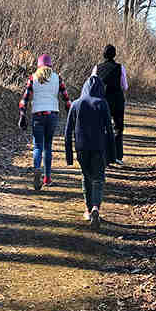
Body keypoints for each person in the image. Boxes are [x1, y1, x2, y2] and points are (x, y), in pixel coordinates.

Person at [65, 75, 116, 230]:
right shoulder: (102, 103)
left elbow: (67, 131)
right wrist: (112, 154)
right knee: (99, 179)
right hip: (98, 147)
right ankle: (96, 208)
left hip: (81, 148)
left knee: (86, 178)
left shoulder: (75, 104)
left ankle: (87, 210)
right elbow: (109, 130)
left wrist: (69, 156)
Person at [18, 54, 71, 191]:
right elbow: (66, 98)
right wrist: (69, 111)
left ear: (38, 65)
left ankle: (37, 169)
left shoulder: (33, 78)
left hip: (38, 115)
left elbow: (25, 99)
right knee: (48, 146)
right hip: (52, 114)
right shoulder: (57, 78)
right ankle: (47, 178)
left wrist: (22, 114)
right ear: (51, 65)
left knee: (37, 146)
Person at [93, 44, 128, 166]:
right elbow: (125, 86)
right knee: (118, 128)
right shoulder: (120, 67)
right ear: (114, 55)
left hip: (101, 101)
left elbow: (92, 83)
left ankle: (102, 155)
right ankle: (117, 156)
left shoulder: (97, 68)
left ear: (103, 54)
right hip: (117, 100)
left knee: (101, 128)